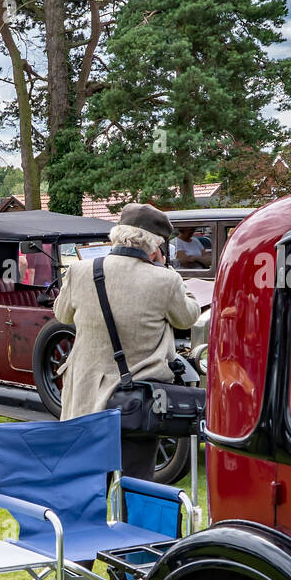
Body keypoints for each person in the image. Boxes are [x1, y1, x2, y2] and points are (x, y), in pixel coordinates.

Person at [53, 203, 201, 482]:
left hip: (85, 396)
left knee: (87, 483)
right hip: (138, 400)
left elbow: (62, 314)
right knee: (135, 484)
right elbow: (187, 317)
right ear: (156, 245)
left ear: (117, 234)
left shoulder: (80, 271)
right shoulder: (166, 280)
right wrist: (179, 281)